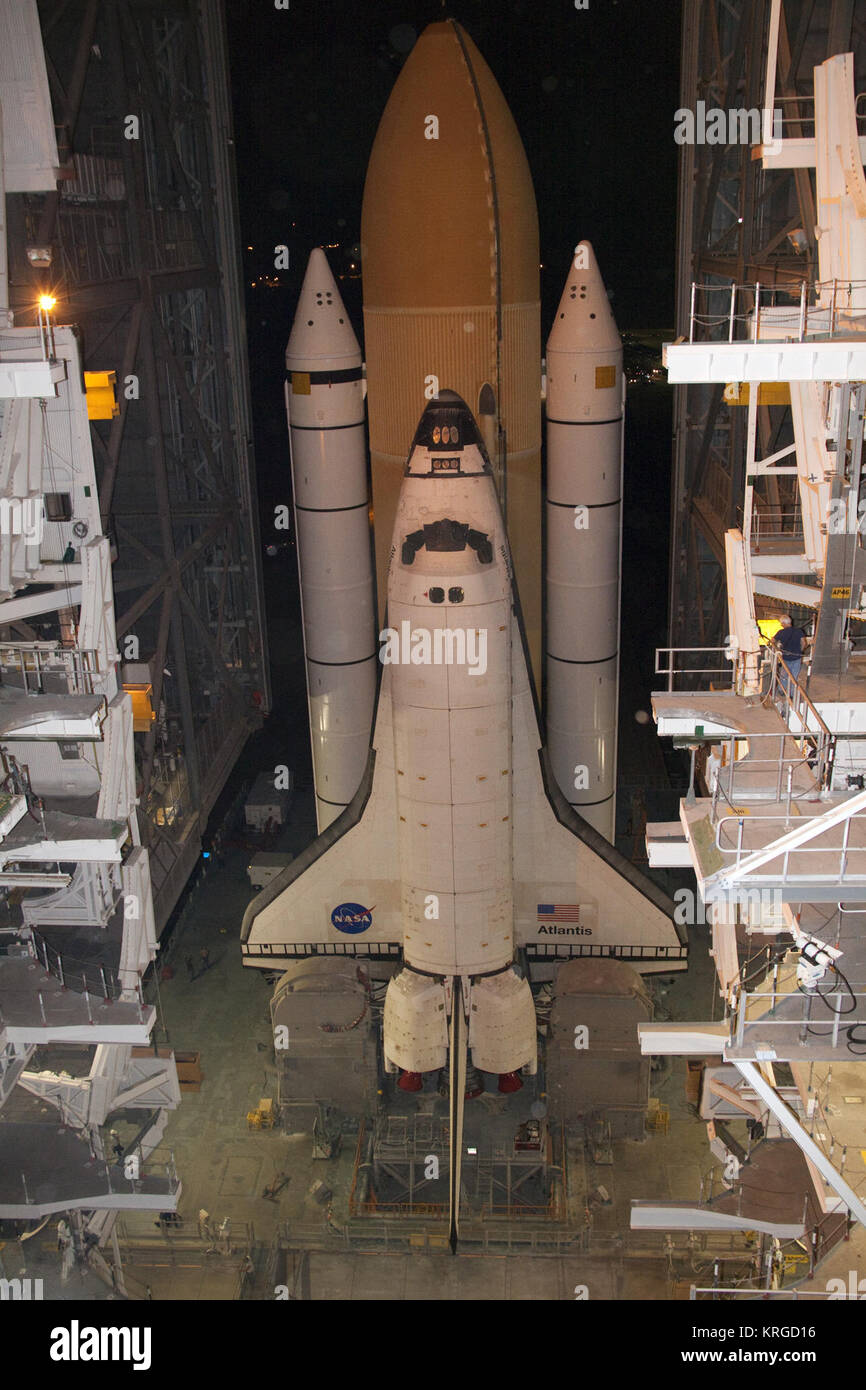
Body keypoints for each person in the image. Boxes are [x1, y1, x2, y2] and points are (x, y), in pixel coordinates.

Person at [773, 613, 807, 687]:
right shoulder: (799, 631)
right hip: (797, 657)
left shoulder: (781, 632)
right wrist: (800, 651)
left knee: (784, 675)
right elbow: (804, 643)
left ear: (784, 623)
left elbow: (772, 641)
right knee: (794, 677)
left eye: (781, 623)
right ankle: (791, 694)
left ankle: (782, 690)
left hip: (786, 657)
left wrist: (777, 649)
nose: (781, 625)